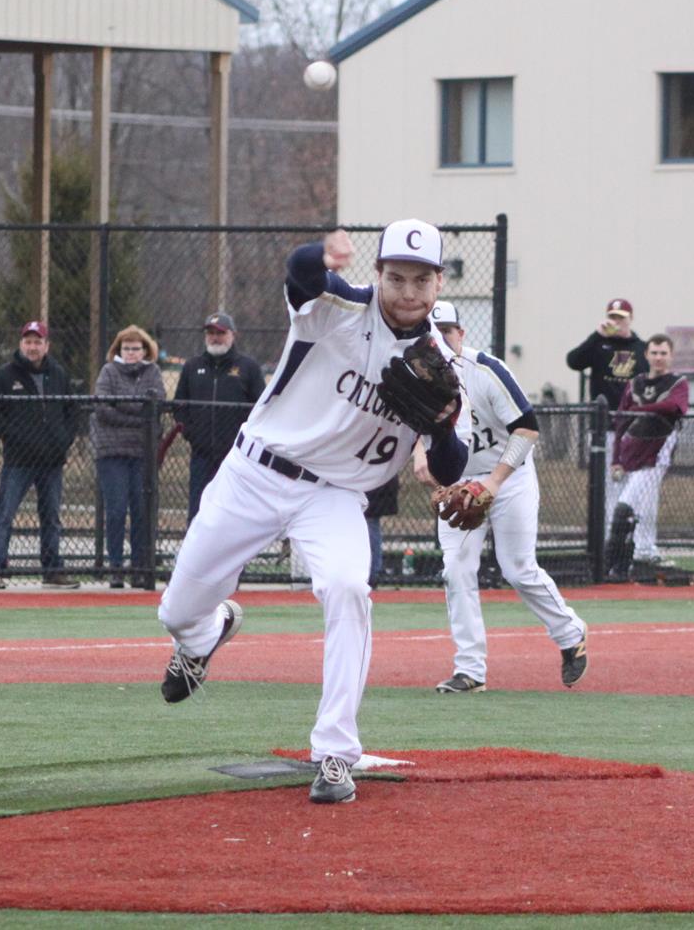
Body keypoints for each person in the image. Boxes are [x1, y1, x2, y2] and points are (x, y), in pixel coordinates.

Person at [156, 219, 471, 805]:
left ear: (438, 283)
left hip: (334, 497)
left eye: (420, 280)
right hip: (255, 469)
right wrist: (321, 253)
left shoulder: (442, 366)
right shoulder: (339, 308)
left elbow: (451, 468)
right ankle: (205, 634)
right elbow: (301, 274)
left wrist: (441, 426)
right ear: (376, 274)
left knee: (349, 586)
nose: (407, 291)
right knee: (175, 612)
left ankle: (334, 753)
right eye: (396, 277)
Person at [414, 301, 589, 694]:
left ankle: (570, 634)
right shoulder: (417, 379)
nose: (441, 341)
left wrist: (492, 483)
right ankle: (470, 670)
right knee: (456, 568)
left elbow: (527, 429)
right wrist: (420, 457)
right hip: (459, 482)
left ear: (461, 334)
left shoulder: (486, 371)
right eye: (432, 334)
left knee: (517, 568)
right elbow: (410, 430)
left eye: (447, 332)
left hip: (509, 478)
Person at [0, 319, 80, 588]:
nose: (32, 347)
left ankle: (52, 570)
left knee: (51, 517)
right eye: (28, 341)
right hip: (18, 460)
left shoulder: (58, 374)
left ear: (46, 345)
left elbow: (73, 412)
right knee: (4, 515)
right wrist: (15, 437)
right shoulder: (5, 376)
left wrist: (63, 440)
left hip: (51, 460)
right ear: (20, 344)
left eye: (38, 342)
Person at [565, 298, 649, 551]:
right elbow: (574, 361)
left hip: (633, 431)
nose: (616, 322)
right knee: (607, 488)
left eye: (621, 318)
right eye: (612, 317)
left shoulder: (640, 348)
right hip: (605, 430)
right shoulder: (599, 344)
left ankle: (635, 544)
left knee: (636, 489)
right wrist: (596, 335)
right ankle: (607, 544)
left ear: (630, 319)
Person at [608, 333, 690, 580]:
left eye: (663, 353)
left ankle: (617, 562)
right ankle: (632, 558)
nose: (658, 358)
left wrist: (641, 410)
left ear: (671, 355)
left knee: (625, 507)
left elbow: (673, 407)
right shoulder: (636, 384)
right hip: (630, 452)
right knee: (636, 507)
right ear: (646, 355)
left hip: (656, 455)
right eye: (654, 353)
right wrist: (615, 458)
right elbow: (621, 421)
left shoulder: (678, 383)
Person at [172, 311, 266, 523]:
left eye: (220, 333)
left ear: (233, 335)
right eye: (211, 333)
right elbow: (179, 404)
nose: (215, 337)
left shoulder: (248, 368)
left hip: (236, 456)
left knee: (234, 511)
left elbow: (261, 409)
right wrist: (191, 433)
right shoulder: (192, 367)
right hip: (201, 454)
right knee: (198, 510)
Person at [92, 325, 167, 589]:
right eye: (126, 348)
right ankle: (115, 567)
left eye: (136, 348)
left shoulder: (153, 372)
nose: (132, 353)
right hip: (112, 453)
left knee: (140, 510)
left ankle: (139, 567)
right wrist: (137, 413)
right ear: (119, 349)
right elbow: (103, 408)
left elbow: (155, 404)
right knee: (115, 511)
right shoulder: (109, 372)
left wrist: (124, 407)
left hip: (142, 453)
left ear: (145, 350)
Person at [363, 475, 399, 587]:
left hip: (373, 482)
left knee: (370, 523)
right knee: (370, 523)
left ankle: (371, 574)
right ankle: (371, 573)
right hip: (375, 481)